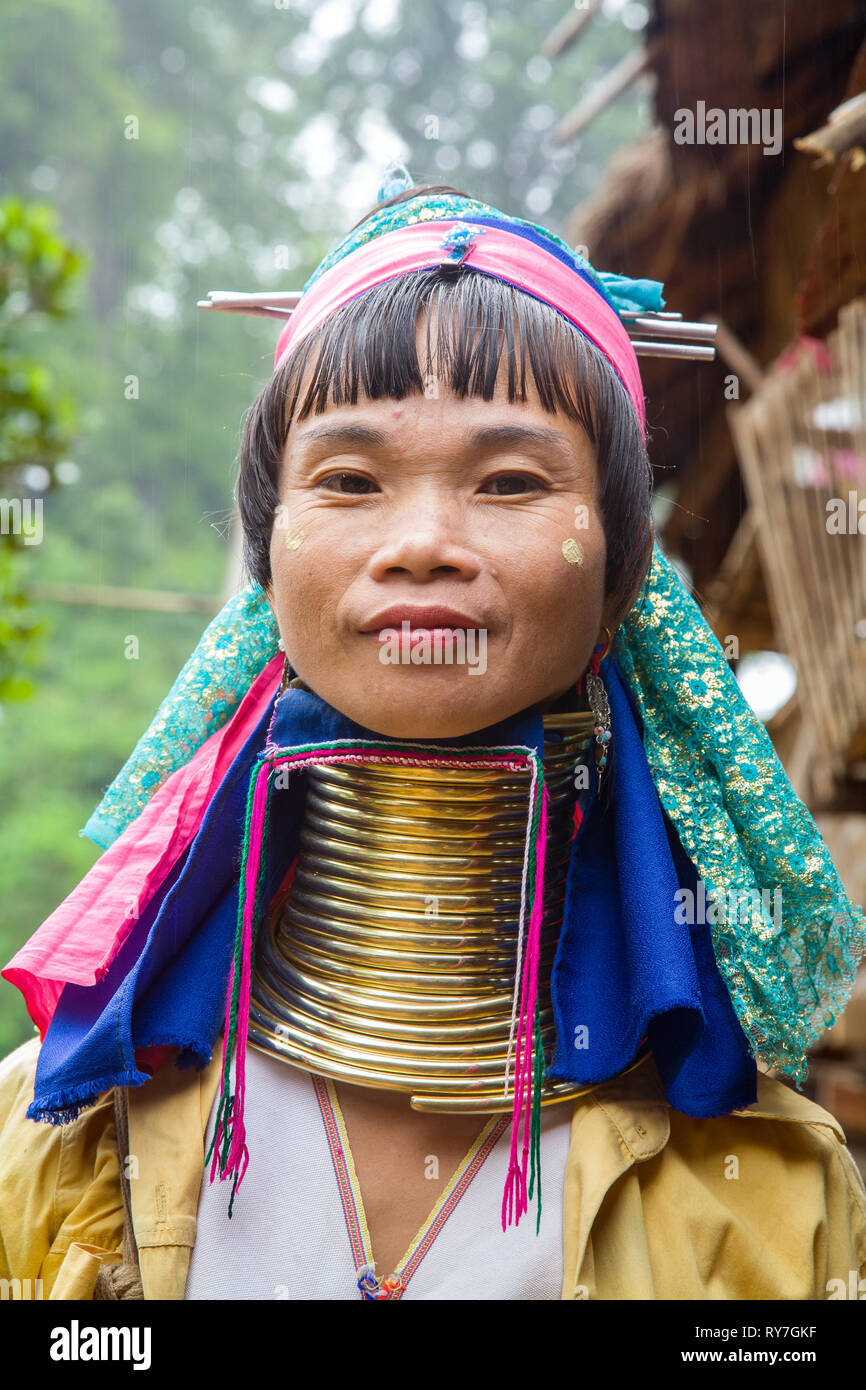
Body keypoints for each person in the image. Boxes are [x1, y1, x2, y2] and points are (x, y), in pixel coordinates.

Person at [2, 168, 865, 1301]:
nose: (420, 542)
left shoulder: (762, 1197)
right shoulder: (61, 1144)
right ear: (267, 563)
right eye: (350, 479)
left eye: (508, 480)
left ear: (619, 572)